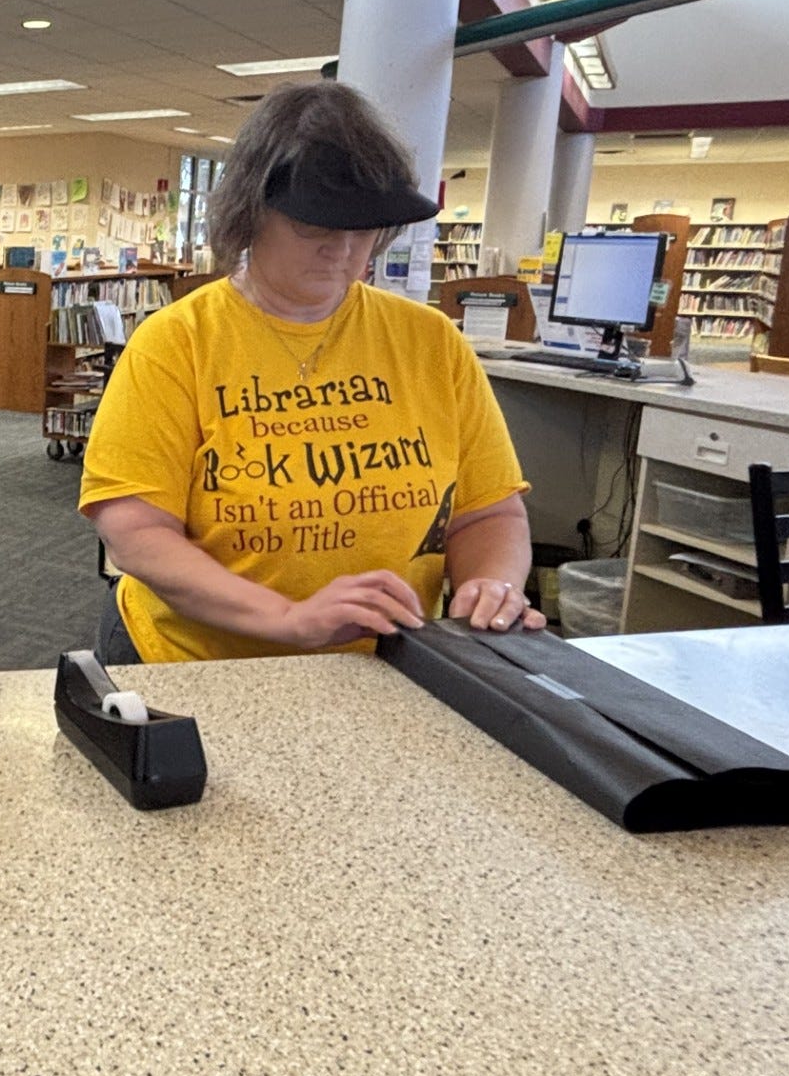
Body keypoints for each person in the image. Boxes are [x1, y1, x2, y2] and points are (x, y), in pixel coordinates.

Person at [80, 81, 544, 665]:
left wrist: (488, 584)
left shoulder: (430, 342)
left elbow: (490, 510)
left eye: (364, 230)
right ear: (251, 214)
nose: (344, 252)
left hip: (385, 660)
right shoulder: (176, 343)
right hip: (196, 662)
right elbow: (136, 533)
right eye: (316, 227)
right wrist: (289, 619)